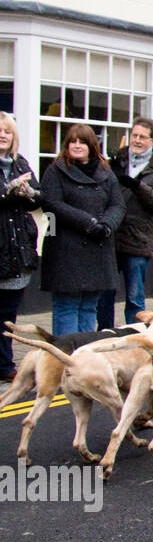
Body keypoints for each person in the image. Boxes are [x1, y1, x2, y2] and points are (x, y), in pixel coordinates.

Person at [39, 125, 126, 336]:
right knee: (66, 306)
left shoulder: (106, 172)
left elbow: (118, 205)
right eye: (72, 141)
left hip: (98, 248)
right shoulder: (55, 171)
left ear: (92, 146)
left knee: (89, 306)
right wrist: (88, 222)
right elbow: (52, 204)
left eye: (82, 142)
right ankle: (65, 358)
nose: (77, 146)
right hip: (65, 250)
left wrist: (106, 225)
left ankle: (83, 359)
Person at [98, 118, 153, 328]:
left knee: (134, 297)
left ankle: (136, 335)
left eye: (142, 137)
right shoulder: (114, 163)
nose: (137, 140)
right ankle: (103, 334)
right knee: (104, 294)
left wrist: (138, 186)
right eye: (134, 135)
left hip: (138, 240)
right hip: (110, 237)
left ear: (152, 140)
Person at [0, 113, 40, 380]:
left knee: (8, 314)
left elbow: (37, 199)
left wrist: (29, 194)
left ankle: (4, 366)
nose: (3, 135)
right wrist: (6, 194)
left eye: (7, 131)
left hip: (17, 250)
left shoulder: (21, 163)